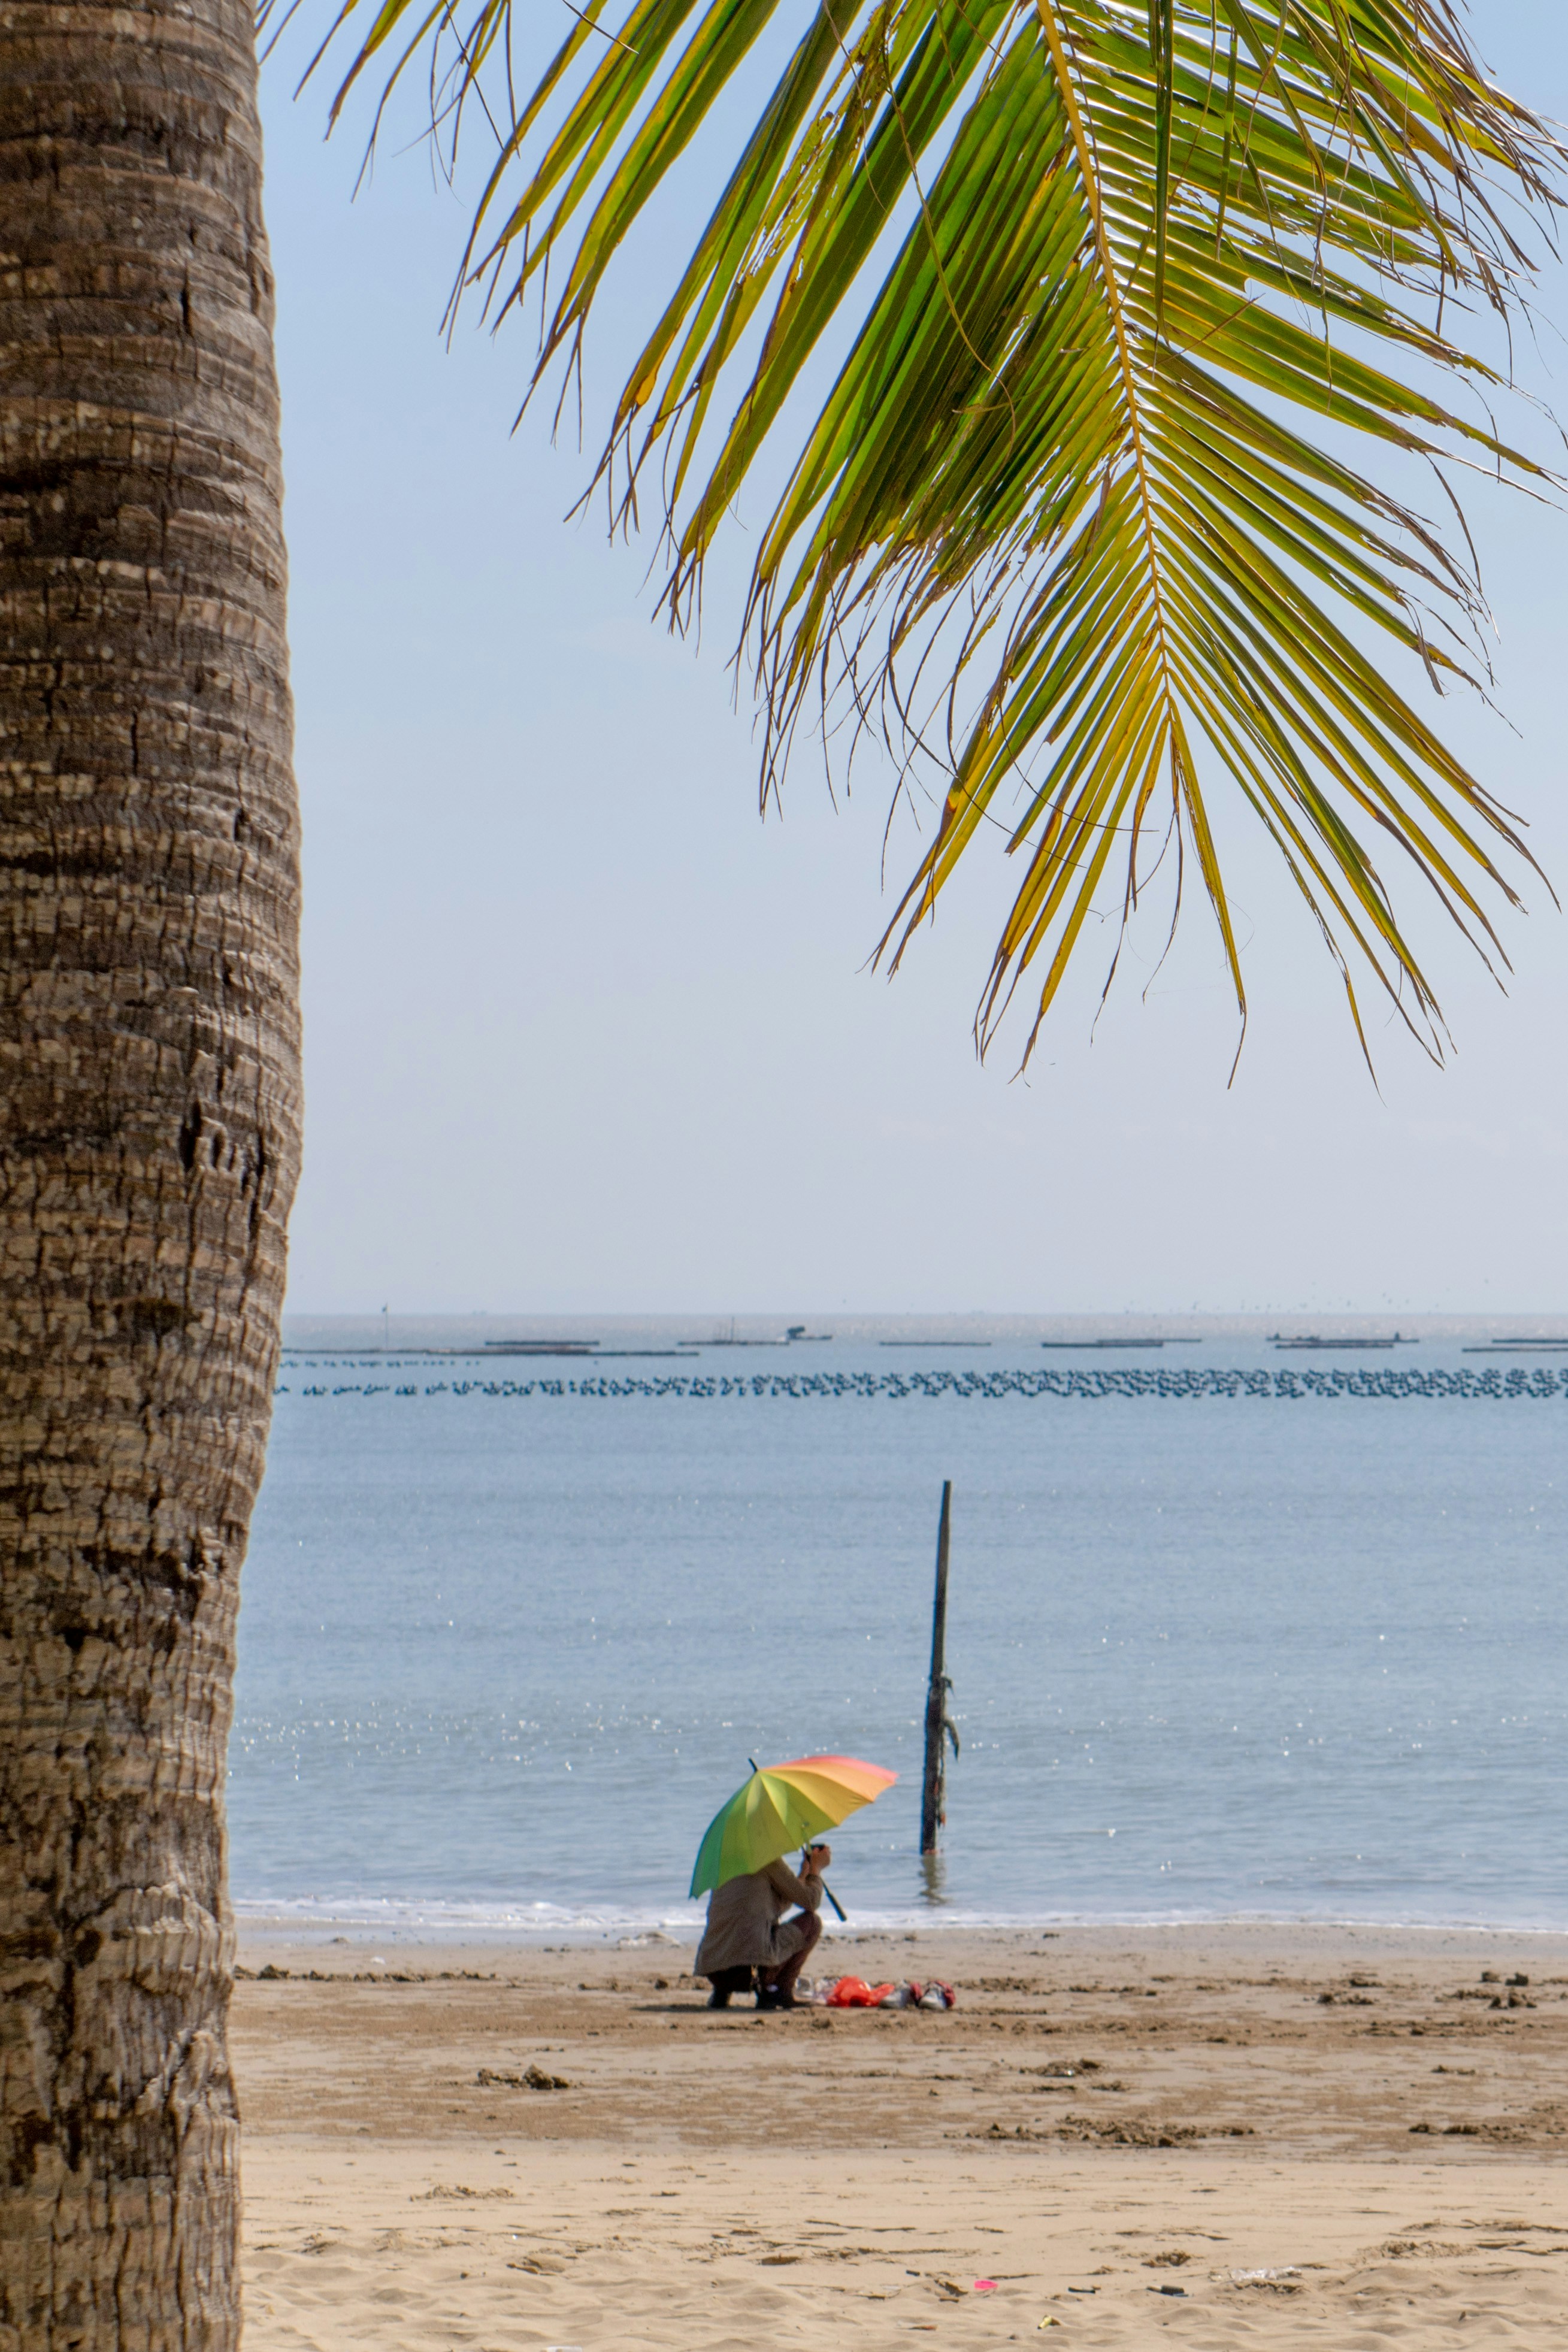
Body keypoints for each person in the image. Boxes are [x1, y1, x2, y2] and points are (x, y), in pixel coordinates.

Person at [694, 1842, 831, 2010]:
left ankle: (722, 1993)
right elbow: (811, 1902)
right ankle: (777, 1991)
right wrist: (816, 1872)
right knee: (812, 1923)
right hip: (750, 1973)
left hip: (716, 1972)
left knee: (741, 1927)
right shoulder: (766, 1859)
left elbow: (770, 1907)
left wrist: (804, 1875)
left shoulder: (725, 1863)